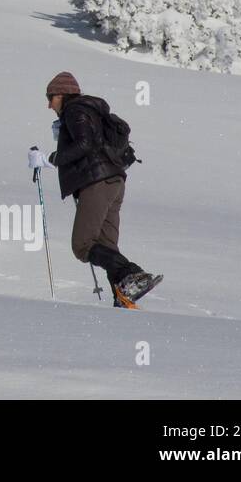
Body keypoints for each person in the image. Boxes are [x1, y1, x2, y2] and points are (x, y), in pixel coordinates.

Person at [45, 71, 161, 306]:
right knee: (106, 245)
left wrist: (53, 157)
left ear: (63, 94)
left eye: (51, 97)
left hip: (96, 182)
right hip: (114, 182)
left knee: (83, 245)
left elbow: (85, 144)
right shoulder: (92, 111)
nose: (49, 104)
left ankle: (132, 273)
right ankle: (122, 299)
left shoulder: (75, 110)